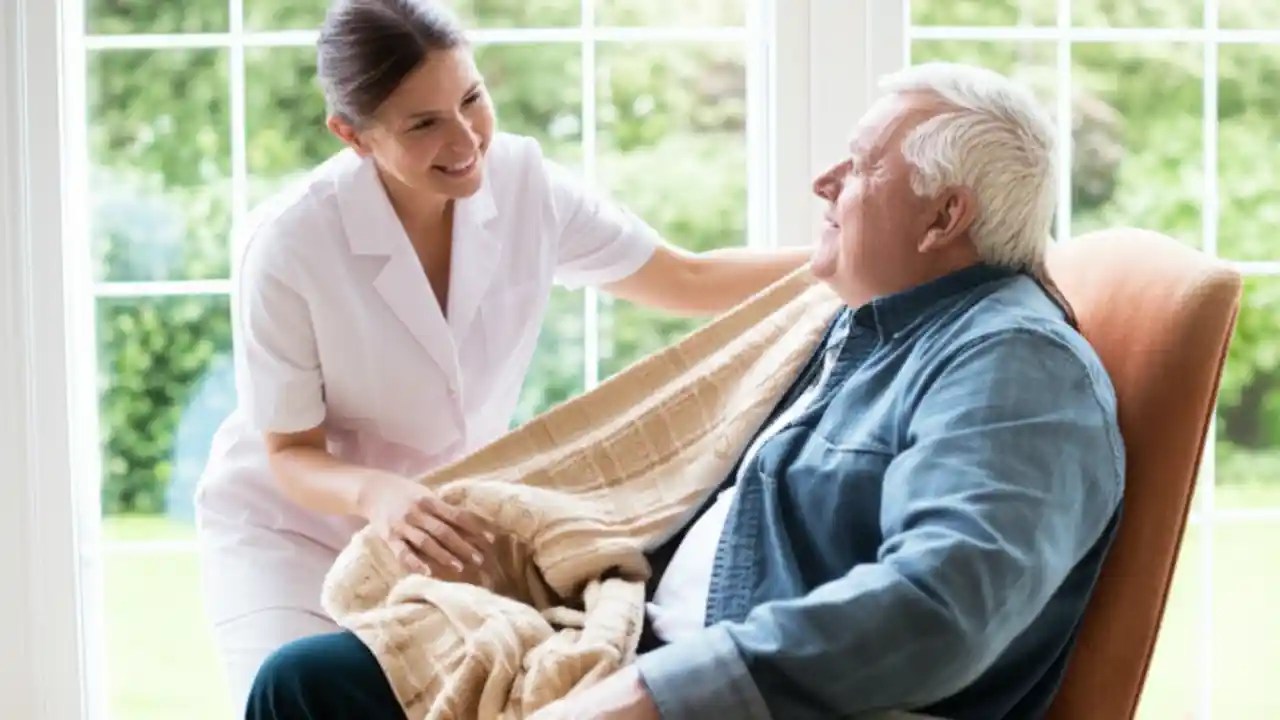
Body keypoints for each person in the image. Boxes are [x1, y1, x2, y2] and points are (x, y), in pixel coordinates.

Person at [243, 61, 1125, 720]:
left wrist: (651, 695)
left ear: (944, 219)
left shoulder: (1012, 366)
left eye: (859, 167)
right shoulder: (860, 325)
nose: (823, 182)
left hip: (708, 685)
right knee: (307, 680)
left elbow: (944, 606)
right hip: (631, 631)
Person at [194, 0, 812, 712]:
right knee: (292, 694)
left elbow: (686, 277)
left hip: (445, 524)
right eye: (423, 123)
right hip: (293, 529)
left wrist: (847, 257)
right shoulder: (290, 245)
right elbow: (289, 450)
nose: (464, 139)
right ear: (352, 136)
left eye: (471, 99)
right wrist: (377, 495)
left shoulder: (524, 184)